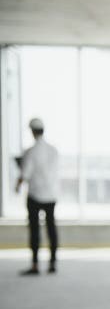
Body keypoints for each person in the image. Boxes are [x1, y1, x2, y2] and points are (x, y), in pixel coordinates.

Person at [15, 117, 59, 275]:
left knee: (34, 230)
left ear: (32, 132)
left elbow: (25, 173)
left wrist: (17, 186)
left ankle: (34, 265)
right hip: (51, 195)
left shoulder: (31, 151)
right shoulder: (54, 150)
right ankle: (53, 263)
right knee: (51, 228)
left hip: (35, 195)